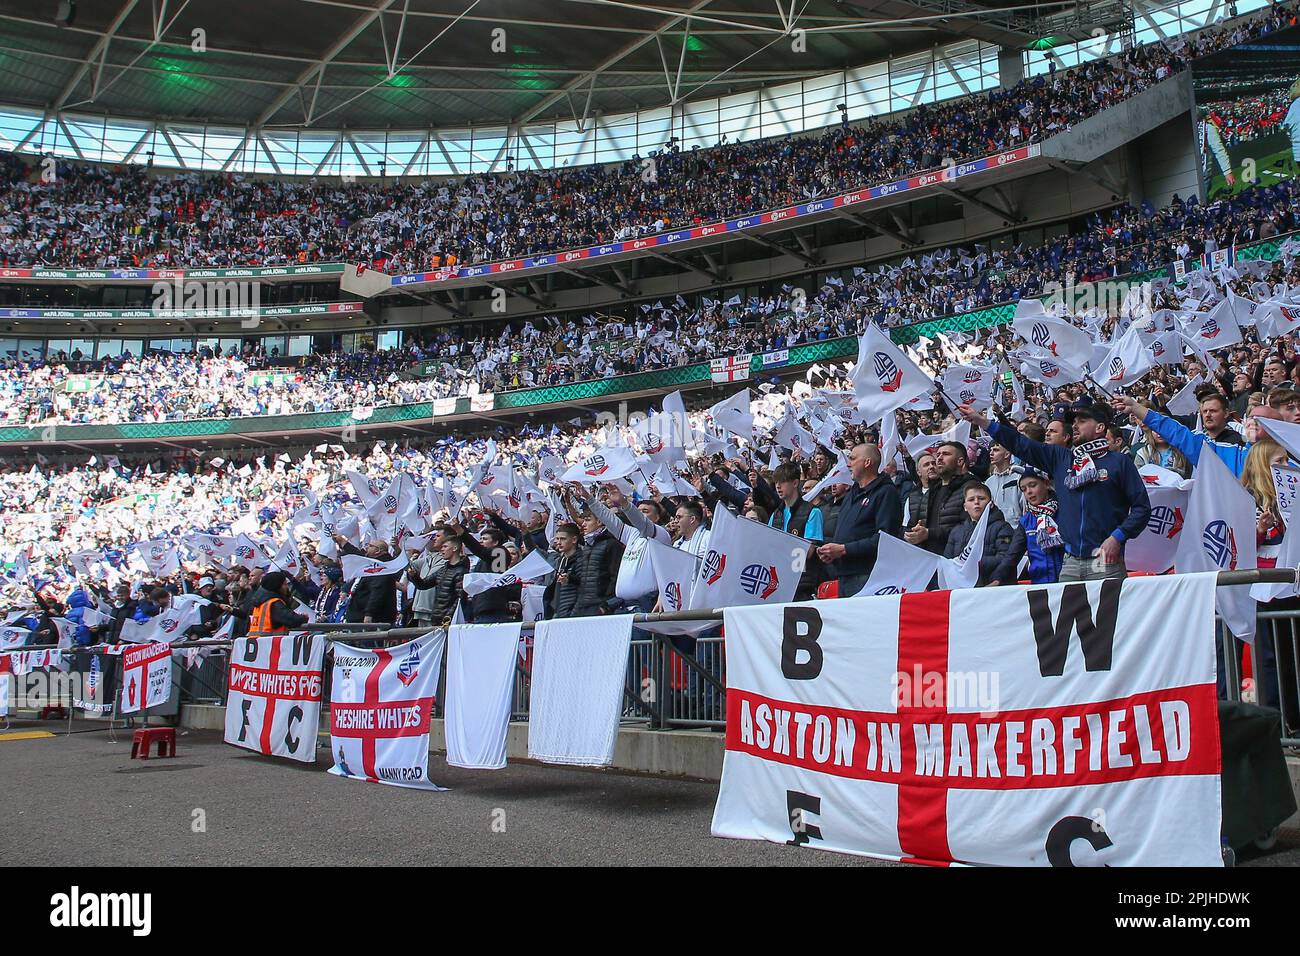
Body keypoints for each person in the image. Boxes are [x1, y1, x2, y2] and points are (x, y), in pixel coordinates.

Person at [960, 400, 1151, 581]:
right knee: (1071, 615)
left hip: (1103, 559)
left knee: (1105, 614)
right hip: (1070, 561)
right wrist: (983, 422)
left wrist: (1117, 537)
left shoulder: (1119, 462)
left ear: (1100, 428)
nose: (1074, 426)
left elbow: (1142, 508)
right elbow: (1021, 444)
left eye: (1082, 422)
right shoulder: (1060, 458)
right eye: (1073, 422)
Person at [815, 443, 903, 597]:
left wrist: (843, 549)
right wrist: (831, 552)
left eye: (853, 458)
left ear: (867, 462)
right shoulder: (851, 494)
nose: (849, 463)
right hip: (844, 573)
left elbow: (885, 539)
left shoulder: (886, 493)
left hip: (867, 575)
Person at [905, 441, 979, 555]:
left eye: (946, 454)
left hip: (955, 560)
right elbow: (913, 524)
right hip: (929, 560)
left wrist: (930, 534)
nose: (939, 458)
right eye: (938, 454)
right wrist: (912, 533)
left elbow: (970, 529)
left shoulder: (971, 489)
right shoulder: (931, 491)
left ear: (960, 461)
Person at [767, 462, 825, 600]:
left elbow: (808, 551)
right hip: (778, 581)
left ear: (795, 483)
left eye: (782, 481)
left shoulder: (812, 512)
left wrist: (780, 549)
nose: (778, 486)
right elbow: (768, 545)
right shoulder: (776, 514)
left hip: (801, 583)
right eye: (776, 482)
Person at [942, 483, 1017, 586]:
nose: (976, 502)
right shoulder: (956, 531)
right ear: (965, 506)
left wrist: (974, 563)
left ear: (991, 503)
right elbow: (947, 562)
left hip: (994, 588)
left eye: (981, 498)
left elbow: (1006, 558)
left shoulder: (1003, 528)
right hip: (962, 591)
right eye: (971, 500)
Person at [1005, 467, 1064, 584]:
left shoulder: (1064, 512)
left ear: (1046, 484)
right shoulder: (1025, 521)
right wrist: (997, 578)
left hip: (1066, 582)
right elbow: (1012, 555)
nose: (1028, 491)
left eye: (1032, 485)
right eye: (1023, 489)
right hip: (1039, 585)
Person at [241, 571, 309, 637]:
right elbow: (291, 620)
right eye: (284, 584)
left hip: (257, 644)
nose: (286, 587)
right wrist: (303, 618)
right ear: (277, 586)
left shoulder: (260, 602)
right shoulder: (274, 603)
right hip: (270, 644)